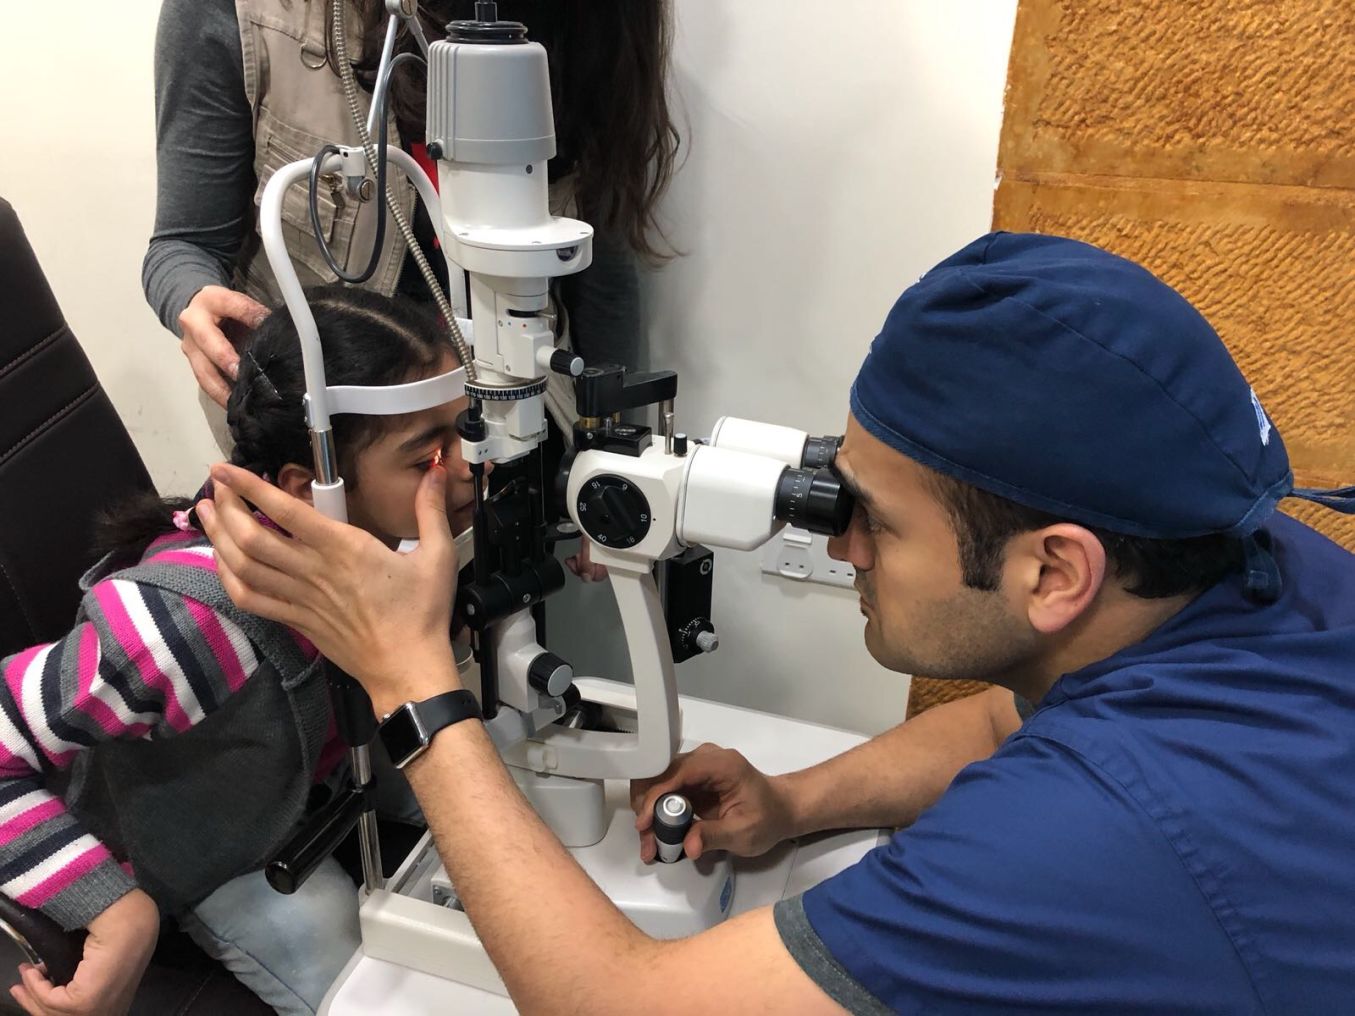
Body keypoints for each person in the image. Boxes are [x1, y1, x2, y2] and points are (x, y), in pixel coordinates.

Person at [197, 232, 1355, 1013]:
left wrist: (411, 678)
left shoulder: (1080, 844)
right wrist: (799, 802)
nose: (841, 542)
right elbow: (1015, 717)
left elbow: (618, 1005)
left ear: (1054, 569)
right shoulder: (1256, 560)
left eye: (877, 522)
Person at [1, 286, 483, 1016]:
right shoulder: (182, 633)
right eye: (428, 456)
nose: (464, 469)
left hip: (319, 770)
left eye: (462, 431)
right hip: (218, 850)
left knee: (514, 808)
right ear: (308, 489)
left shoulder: (386, 543)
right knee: (382, 994)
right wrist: (115, 908)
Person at [143, 0, 678, 409]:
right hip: (327, 427)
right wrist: (193, 301)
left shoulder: (592, 22)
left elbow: (602, 273)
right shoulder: (241, 15)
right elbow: (182, 245)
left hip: (516, 416)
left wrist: (609, 450)